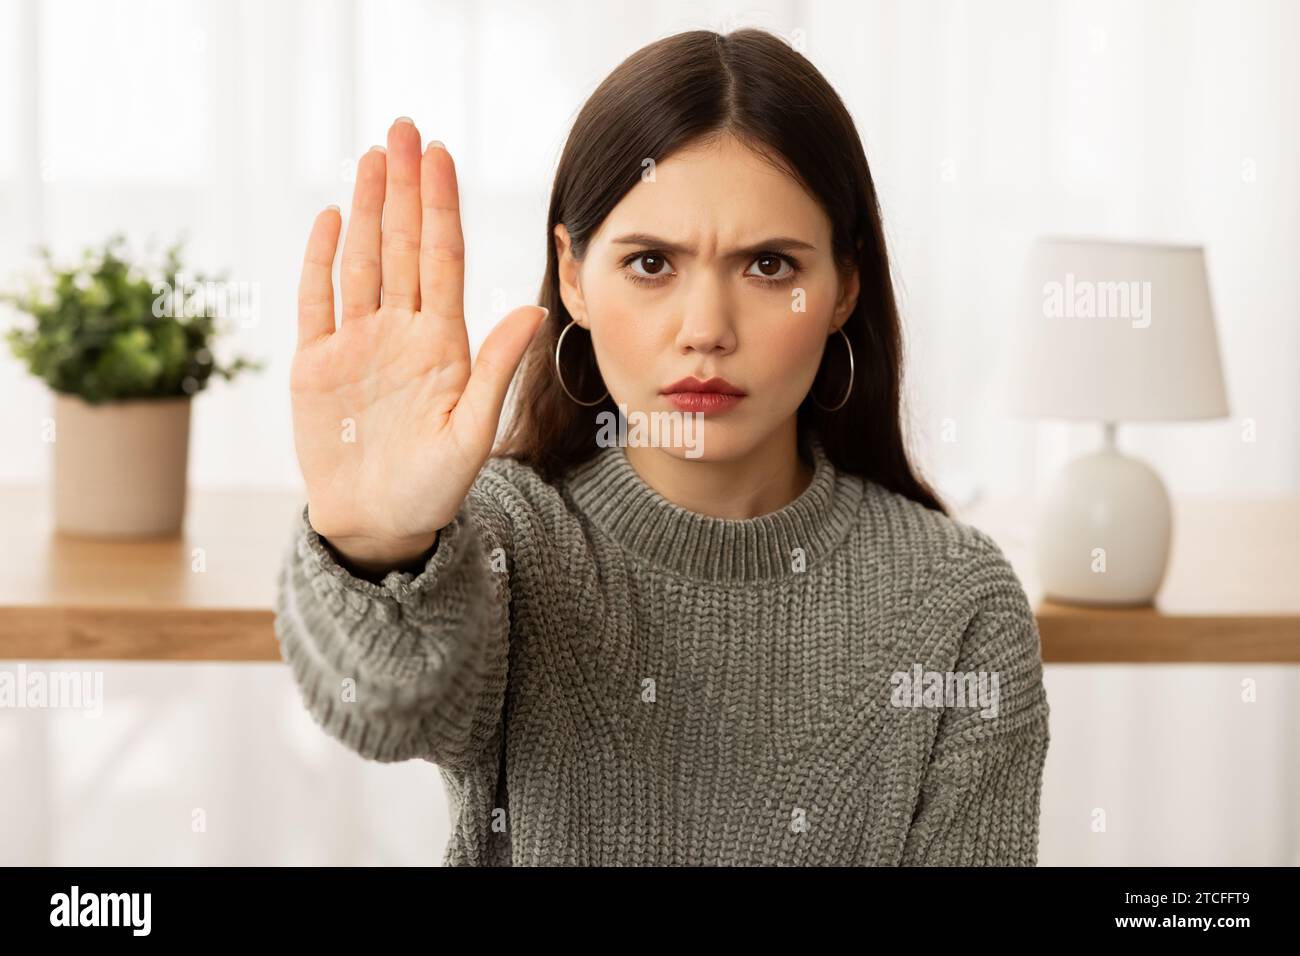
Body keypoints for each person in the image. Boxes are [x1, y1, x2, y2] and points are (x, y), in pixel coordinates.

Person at [275, 28, 1050, 866]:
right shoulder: (504, 541)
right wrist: (375, 543)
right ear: (572, 276)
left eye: (769, 266)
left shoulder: (958, 604)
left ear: (843, 287)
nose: (706, 331)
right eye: (650, 262)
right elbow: (386, 705)